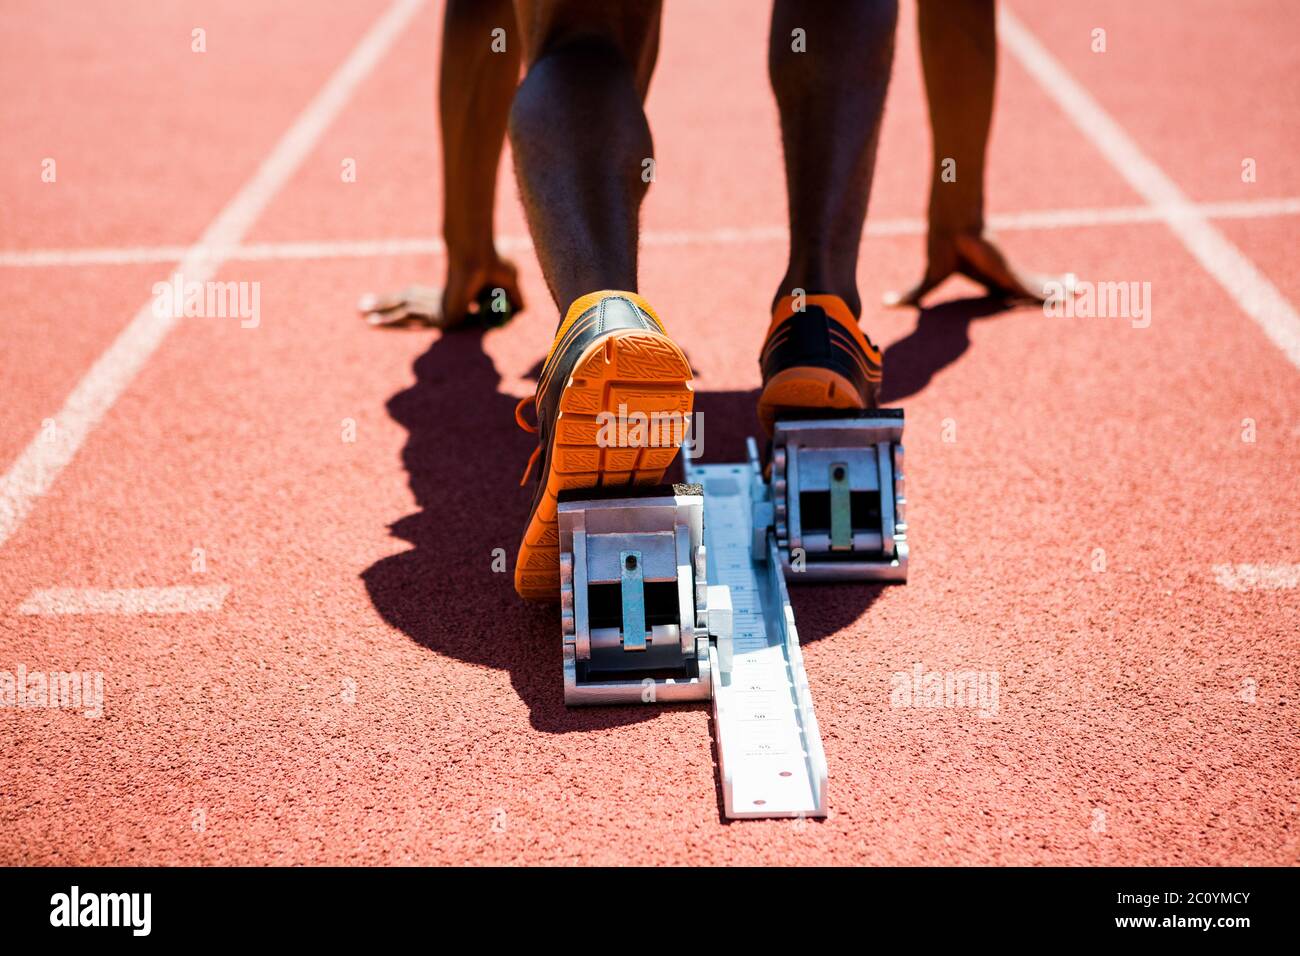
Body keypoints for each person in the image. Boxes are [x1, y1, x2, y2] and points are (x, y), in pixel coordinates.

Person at [359, 0, 1069, 600]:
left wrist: (469, 258)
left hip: (408, 593)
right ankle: (817, 314)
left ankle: (600, 323)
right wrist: (958, 211)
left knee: (581, 32)